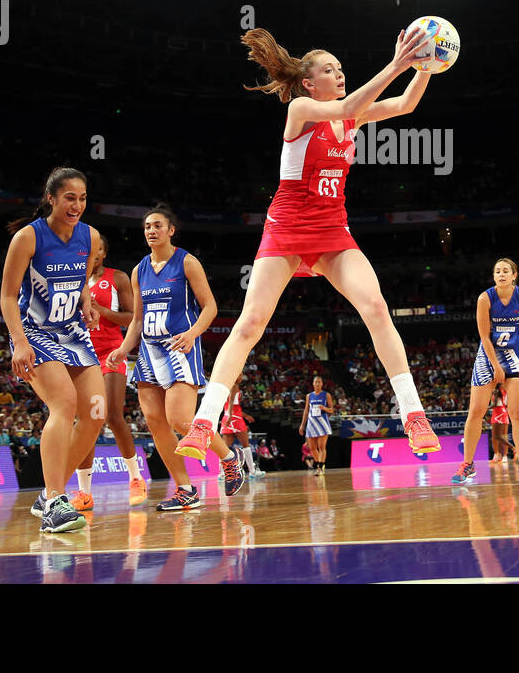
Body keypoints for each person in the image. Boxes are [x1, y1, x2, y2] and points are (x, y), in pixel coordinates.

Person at [176, 26, 441, 472]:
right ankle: (204, 421)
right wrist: (397, 63)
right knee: (250, 323)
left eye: (340, 69)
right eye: (329, 69)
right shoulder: (301, 109)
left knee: (376, 306)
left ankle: (413, 413)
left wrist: (427, 65)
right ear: (307, 82)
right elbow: (348, 104)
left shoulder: (349, 117)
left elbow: (406, 104)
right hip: (287, 228)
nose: (339, 74)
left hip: (332, 229)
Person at [106, 205, 244, 511]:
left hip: (180, 348)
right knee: (156, 425)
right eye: (146, 227)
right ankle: (185, 490)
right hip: (147, 353)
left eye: (157, 225)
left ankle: (230, 459)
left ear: (171, 230)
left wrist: (193, 334)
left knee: (180, 420)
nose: (151, 231)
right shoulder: (139, 269)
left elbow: (210, 307)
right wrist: (123, 349)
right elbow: (138, 320)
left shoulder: (187, 262)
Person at [0, 167, 108, 533]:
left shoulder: (90, 237)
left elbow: (79, 283)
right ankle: (55, 502)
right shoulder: (29, 238)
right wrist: (19, 342)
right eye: (69, 198)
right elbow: (7, 297)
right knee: (63, 404)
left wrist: (88, 302)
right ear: (52, 198)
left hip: (72, 332)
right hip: (35, 331)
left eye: (82, 198)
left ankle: (51, 493)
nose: (77, 205)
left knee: (95, 413)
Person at [71, 235, 146, 512]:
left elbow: (132, 317)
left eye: (99, 248)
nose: (95, 253)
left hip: (112, 351)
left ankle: (136, 478)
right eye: (90, 249)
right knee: (86, 421)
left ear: (104, 252)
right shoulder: (73, 279)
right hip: (82, 356)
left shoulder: (119, 278)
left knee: (113, 414)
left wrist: (102, 311)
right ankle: (84, 492)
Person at [452, 259, 519, 486]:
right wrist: (495, 365)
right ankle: (468, 464)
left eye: (506, 271)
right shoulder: (485, 298)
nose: (501, 274)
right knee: (476, 411)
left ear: (514, 275)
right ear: (493, 276)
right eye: (497, 271)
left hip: (515, 355)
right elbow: (484, 336)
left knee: (518, 414)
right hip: (489, 355)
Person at [221, 380, 263, 478]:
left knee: (225, 447)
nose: (241, 375)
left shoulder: (225, 384)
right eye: (239, 373)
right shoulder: (234, 385)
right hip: (234, 417)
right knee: (246, 445)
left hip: (228, 415)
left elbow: (231, 404)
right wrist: (231, 416)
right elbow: (231, 402)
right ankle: (252, 471)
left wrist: (245, 415)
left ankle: (222, 473)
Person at [299, 375, 334, 474]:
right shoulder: (309, 396)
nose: (317, 383)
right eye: (316, 382)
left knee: (321, 446)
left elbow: (332, 410)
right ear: (313, 384)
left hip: (322, 423)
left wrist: (324, 408)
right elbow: (306, 411)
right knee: (312, 448)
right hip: (311, 423)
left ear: (322, 384)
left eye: (319, 382)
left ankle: (320, 467)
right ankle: (319, 464)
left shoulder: (326, 395)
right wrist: (302, 425)